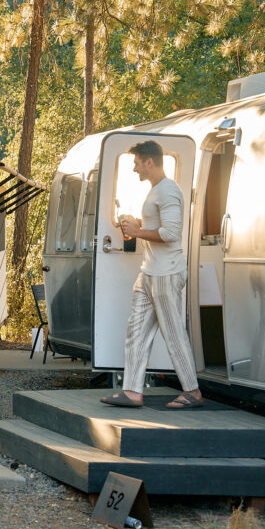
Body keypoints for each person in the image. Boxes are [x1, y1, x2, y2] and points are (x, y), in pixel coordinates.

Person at [101, 140, 203, 409]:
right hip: (149, 272)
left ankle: (192, 391)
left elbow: (171, 233)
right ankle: (132, 391)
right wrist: (139, 224)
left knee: (172, 333)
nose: (134, 168)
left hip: (166, 274)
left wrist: (136, 232)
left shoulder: (169, 191)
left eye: (136, 163)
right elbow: (159, 226)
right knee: (135, 331)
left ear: (149, 162)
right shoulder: (156, 190)